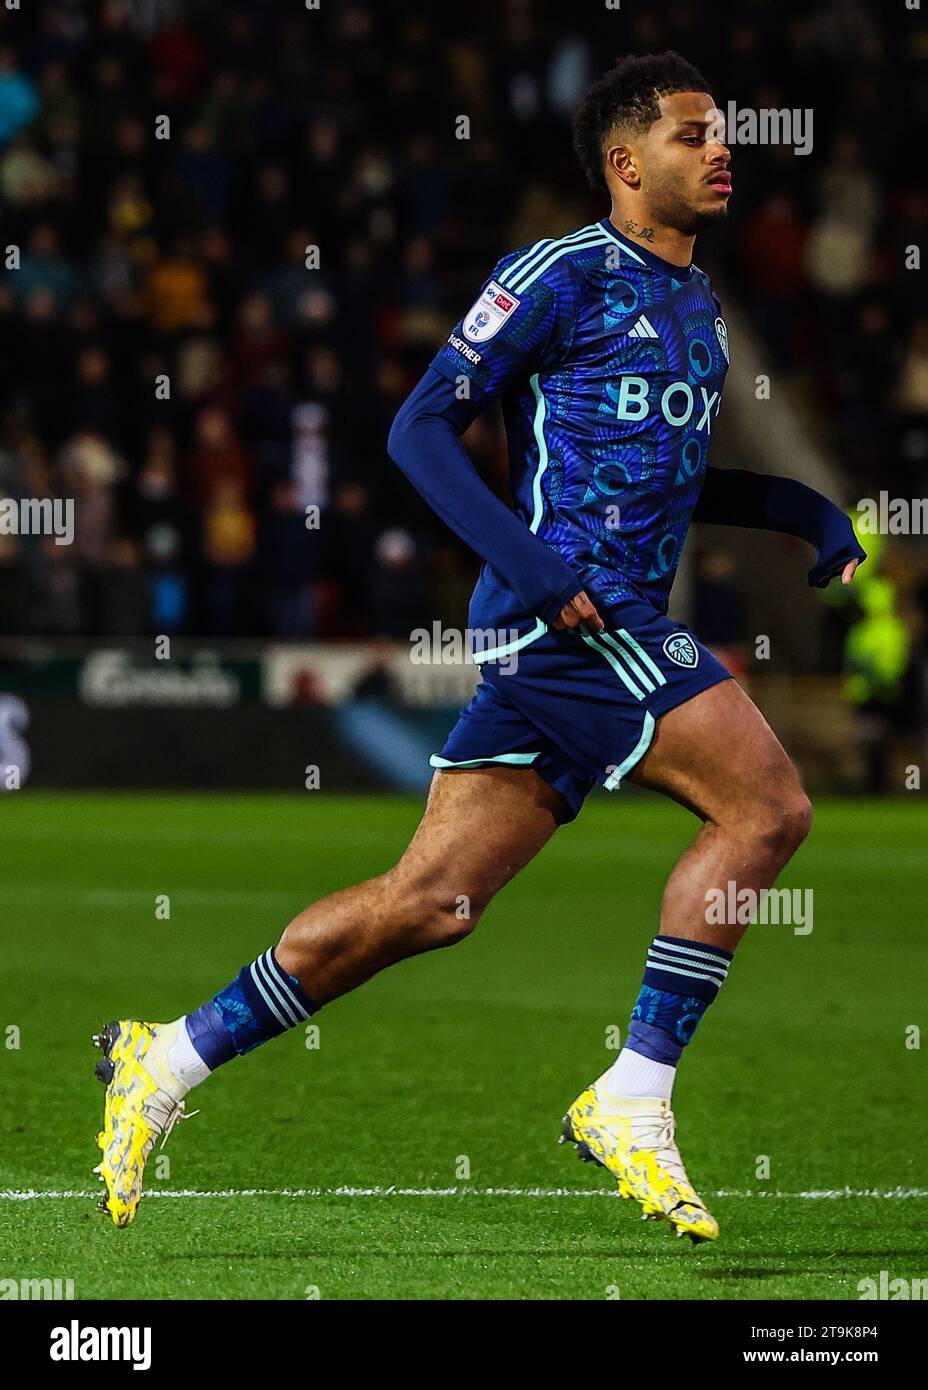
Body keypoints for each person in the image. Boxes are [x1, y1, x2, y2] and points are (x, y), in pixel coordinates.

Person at [92, 52, 864, 1241]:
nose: (722, 151)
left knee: (431, 901)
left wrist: (795, 512)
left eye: (722, 134)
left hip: (587, 624)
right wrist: (543, 567)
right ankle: (635, 1094)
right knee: (766, 808)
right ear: (624, 161)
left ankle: (170, 1055)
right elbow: (419, 431)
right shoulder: (557, 275)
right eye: (692, 134)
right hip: (577, 621)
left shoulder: (696, 303)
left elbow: (660, 472)